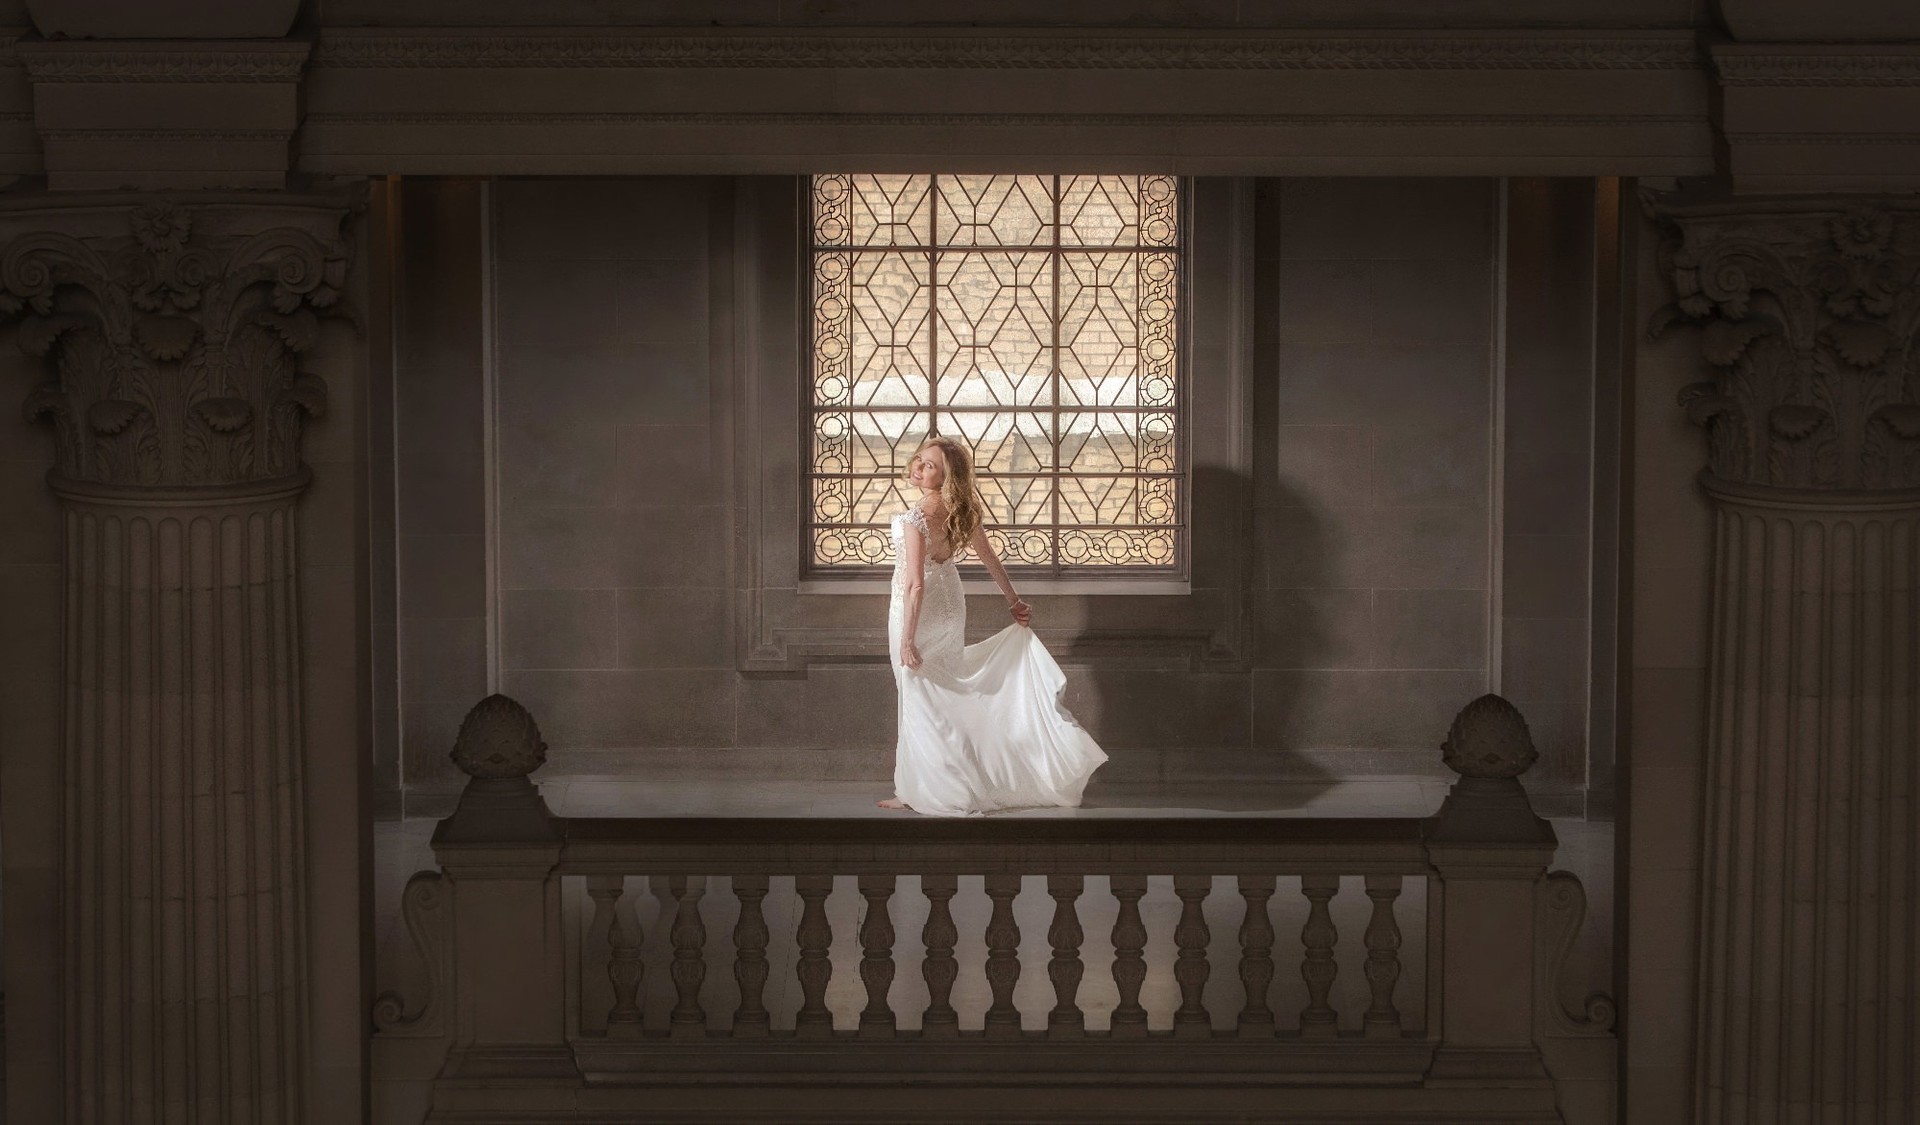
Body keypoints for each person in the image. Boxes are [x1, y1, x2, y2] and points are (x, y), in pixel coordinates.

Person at [877, 436, 1108, 815]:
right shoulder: (960, 511)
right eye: (919, 460)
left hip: (919, 610)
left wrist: (906, 638)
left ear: (947, 476)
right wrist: (1013, 600)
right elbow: (988, 557)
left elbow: (915, 583)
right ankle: (923, 783)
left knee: (918, 691)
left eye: (930, 465)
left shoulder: (913, 518)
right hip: (951, 605)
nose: (919, 468)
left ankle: (931, 788)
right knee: (942, 688)